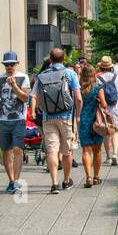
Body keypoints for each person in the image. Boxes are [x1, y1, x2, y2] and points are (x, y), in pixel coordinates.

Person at [31, 46, 82, 193]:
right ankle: (66, 181)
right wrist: (77, 116)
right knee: (67, 151)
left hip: (48, 118)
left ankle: (54, 183)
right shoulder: (70, 73)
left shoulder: (42, 76)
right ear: (64, 59)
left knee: (52, 151)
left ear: (50, 60)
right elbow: (78, 99)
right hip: (67, 117)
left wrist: (35, 111)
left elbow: (33, 95)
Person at [0, 51, 30, 194]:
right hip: (2, 120)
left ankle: (16, 181)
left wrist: (15, 86)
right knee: (6, 151)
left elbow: (26, 98)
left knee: (18, 149)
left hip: (19, 119)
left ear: (17, 64)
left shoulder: (23, 77)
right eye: (7, 65)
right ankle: (10, 180)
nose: (9, 67)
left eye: (12, 64)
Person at [77, 71, 108, 186]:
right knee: (97, 150)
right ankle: (96, 177)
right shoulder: (98, 88)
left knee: (86, 150)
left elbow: (77, 103)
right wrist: (100, 102)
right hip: (97, 121)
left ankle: (88, 178)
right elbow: (104, 104)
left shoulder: (79, 89)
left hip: (84, 121)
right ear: (93, 75)